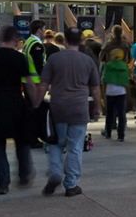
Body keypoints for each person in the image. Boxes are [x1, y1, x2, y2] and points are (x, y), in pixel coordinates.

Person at [42, 28, 102, 197]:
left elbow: (43, 84)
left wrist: (37, 103)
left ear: (65, 41)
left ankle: (54, 172)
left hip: (57, 108)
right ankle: (71, 184)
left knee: (55, 143)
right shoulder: (88, 61)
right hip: (79, 109)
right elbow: (95, 89)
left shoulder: (54, 58)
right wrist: (97, 107)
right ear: (81, 41)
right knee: (75, 147)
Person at [0, 25, 34, 193]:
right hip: (16, 102)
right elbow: (29, 82)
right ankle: (24, 174)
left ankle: (3, 183)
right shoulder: (19, 58)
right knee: (21, 141)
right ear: (15, 39)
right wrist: (34, 101)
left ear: (2, 38)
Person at [102, 49, 130, 141]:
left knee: (109, 113)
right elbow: (128, 80)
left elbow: (103, 78)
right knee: (121, 114)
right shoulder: (125, 66)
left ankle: (108, 133)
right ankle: (121, 135)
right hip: (121, 92)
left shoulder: (108, 65)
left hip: (110, 92)